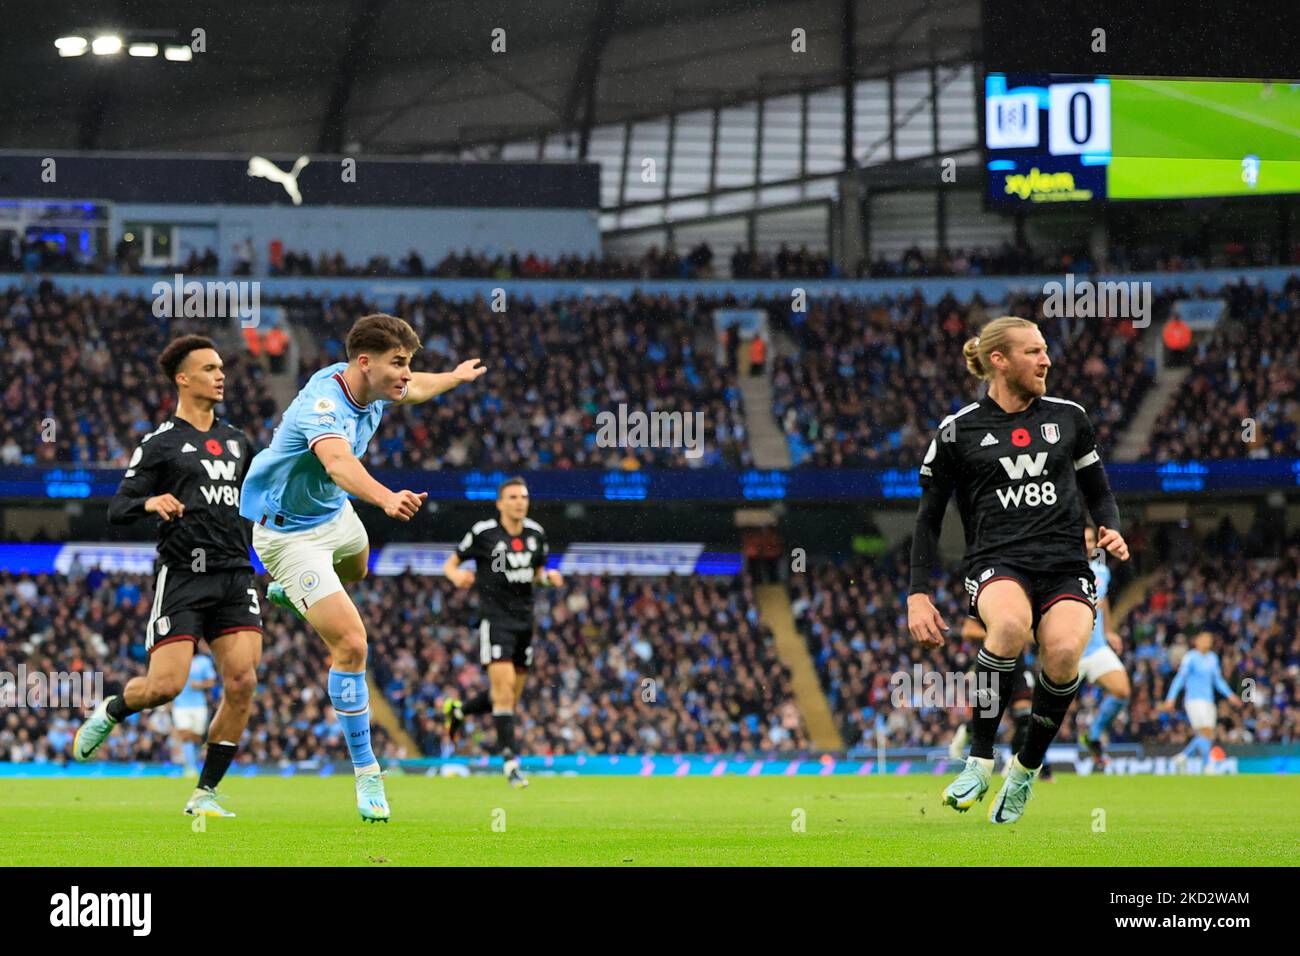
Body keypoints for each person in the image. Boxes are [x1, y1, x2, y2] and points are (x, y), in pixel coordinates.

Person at [239, 313, 485, 822]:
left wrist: (456, 378)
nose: (405, 373)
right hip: (288, 534)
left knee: (359, 568)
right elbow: (338, 464)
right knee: (352, 643)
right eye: (398, 363)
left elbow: (416, 389)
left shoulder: (377, 388)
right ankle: (368, 771)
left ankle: (291, 594)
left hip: (333, 516)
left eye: (408, 364)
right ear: (364, 362)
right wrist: (385, 498)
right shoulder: (322, 403)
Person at [908, 315, 1129, 824]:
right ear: (998, 360)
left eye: (1045, 350)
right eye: (1033, 352)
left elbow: (1099, 490)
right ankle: (980, 759)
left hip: (1065, 565)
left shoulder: (1070, 417)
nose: (1046, 360)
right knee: (1008, 626)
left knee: (1064, 653)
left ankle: (1025, 770)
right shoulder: (958, 430)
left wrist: (1109, 526)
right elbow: (928, 518)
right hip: (997, 561)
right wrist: (918, 594)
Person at [75, 336, 262, 819]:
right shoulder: (159, 443)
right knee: (165, 687)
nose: (221, 375)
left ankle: (205, 793)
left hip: (236, 574)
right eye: (209, 368)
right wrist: (150, 502)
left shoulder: (240, 441)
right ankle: (115, 708)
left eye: (222, 367)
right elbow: (118, 507)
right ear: (183, 378)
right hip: (183, 575)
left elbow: (262, 504)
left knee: (242, 681)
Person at [441, 477, 562, 788]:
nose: (520, 502)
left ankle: (460, 711)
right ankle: (510, 762)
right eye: (512, 497)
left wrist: (549, 579)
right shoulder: (484, 533)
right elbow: (450, 564)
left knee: (508, 696)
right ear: (500, 503)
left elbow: (536, 575)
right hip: (496, 621)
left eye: (523, 496)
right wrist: (457, 577)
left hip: (525, 622)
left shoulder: (536, 534)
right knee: (504, 691)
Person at [1077, 525, 1131, 767]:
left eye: (1091, 540)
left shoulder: (1101, 571)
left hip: (1096, 647)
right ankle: (1038, 762)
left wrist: (1109, 631)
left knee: (1122, 691)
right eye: (1083, 539)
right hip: (1070, 651)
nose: (1088, 544)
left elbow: (1103, 601)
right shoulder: (1059, 570)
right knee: (1052, 710)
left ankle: (1094, 735)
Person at [1161, 630, 1242, 773]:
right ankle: (1207, 764)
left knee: (1208, 734)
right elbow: (1180, 678)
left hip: (1209, 701)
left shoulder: (1213, 658)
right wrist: (1171, 698)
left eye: (1209, 639)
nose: (1207, 642)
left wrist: (1230, 695)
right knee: (1205, 732)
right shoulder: (1191, 657)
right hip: (1194, 700)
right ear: (1197, 641)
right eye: (1204, 639)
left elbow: (1218, 680)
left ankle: (1185, 756)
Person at [172, 653, 217, 775]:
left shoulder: (203, 661)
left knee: (197, 738)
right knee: (185, 735)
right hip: (180, 705)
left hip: (198, 705)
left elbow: (212, 681)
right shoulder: (176, 659)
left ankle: (194, 763)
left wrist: (200, 685)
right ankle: (190, 768)